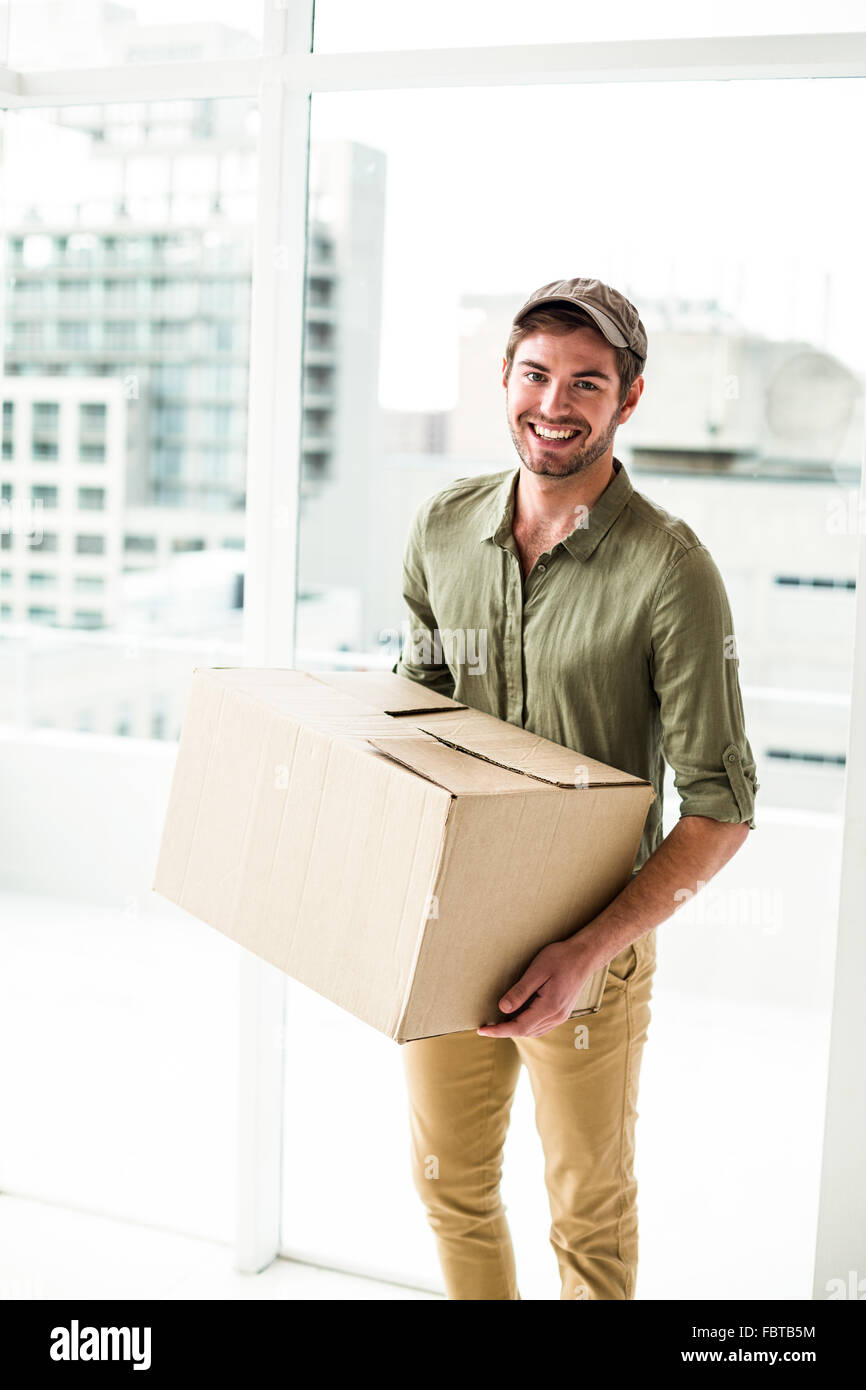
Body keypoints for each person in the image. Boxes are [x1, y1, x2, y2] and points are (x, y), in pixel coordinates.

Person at [392, 276, 759, 1301]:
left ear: (626, 399)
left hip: (592, 950)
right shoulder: (440, 527)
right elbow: (413, 726)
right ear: (502, 379)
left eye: (585, 382)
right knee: (451, 1186)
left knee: (586, 1215)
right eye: (534, 374)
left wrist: (584, 951)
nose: (553, 403)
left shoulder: (669, 569)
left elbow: (721, 807)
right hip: (447, 930)